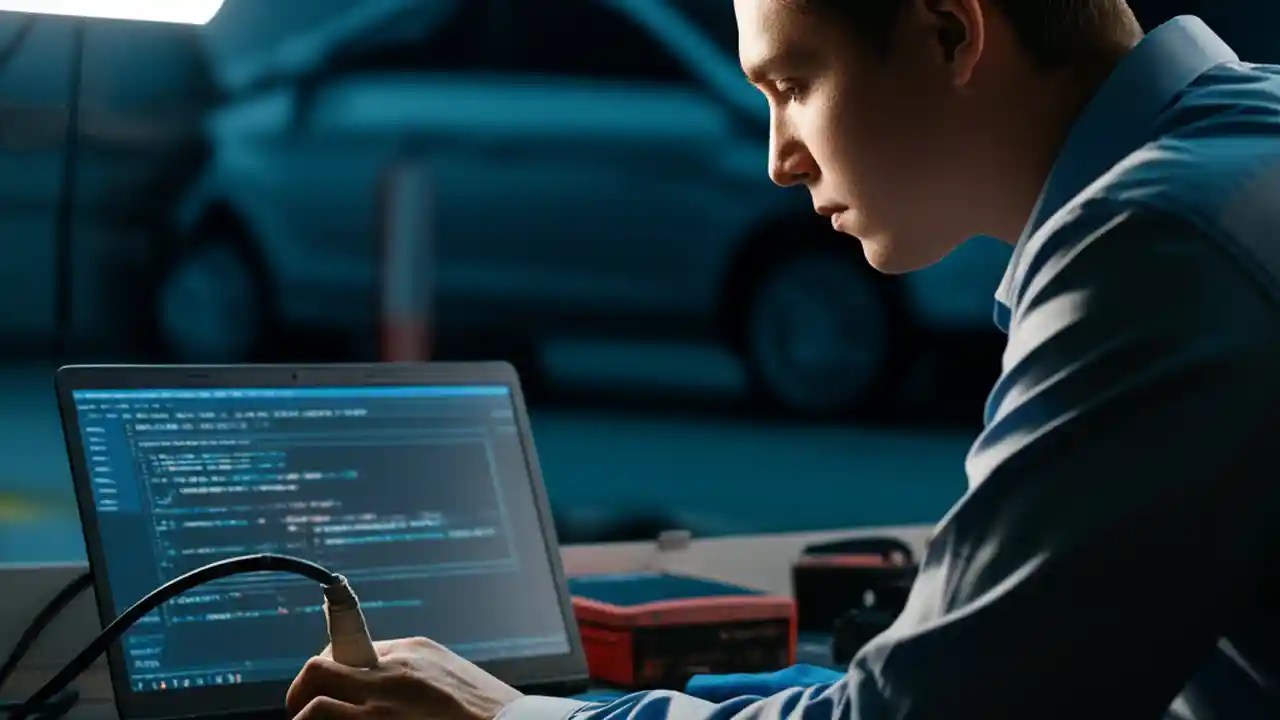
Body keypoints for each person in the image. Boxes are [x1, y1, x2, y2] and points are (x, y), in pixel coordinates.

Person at [285, 0, 1280, 718]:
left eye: (792, 86)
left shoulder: (1150, 246)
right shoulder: (1236, 151)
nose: (778, 158)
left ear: (947, 33)